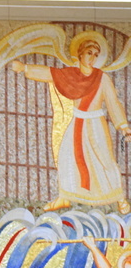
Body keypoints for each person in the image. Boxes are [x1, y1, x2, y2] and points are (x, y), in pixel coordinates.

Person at [11, 35, 131, 215]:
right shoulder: (71, 75)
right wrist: (25, 67)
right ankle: (65, 196)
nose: (92, 57)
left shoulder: (101, 78)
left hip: (95, 124)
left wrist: (123, 126)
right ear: (80, 54)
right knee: (67, 156)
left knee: (104, 159)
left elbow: (113, 103)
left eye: (96, 54)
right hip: (77, 122)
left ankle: (120, 199)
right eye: (89, 53)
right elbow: (50, 73)